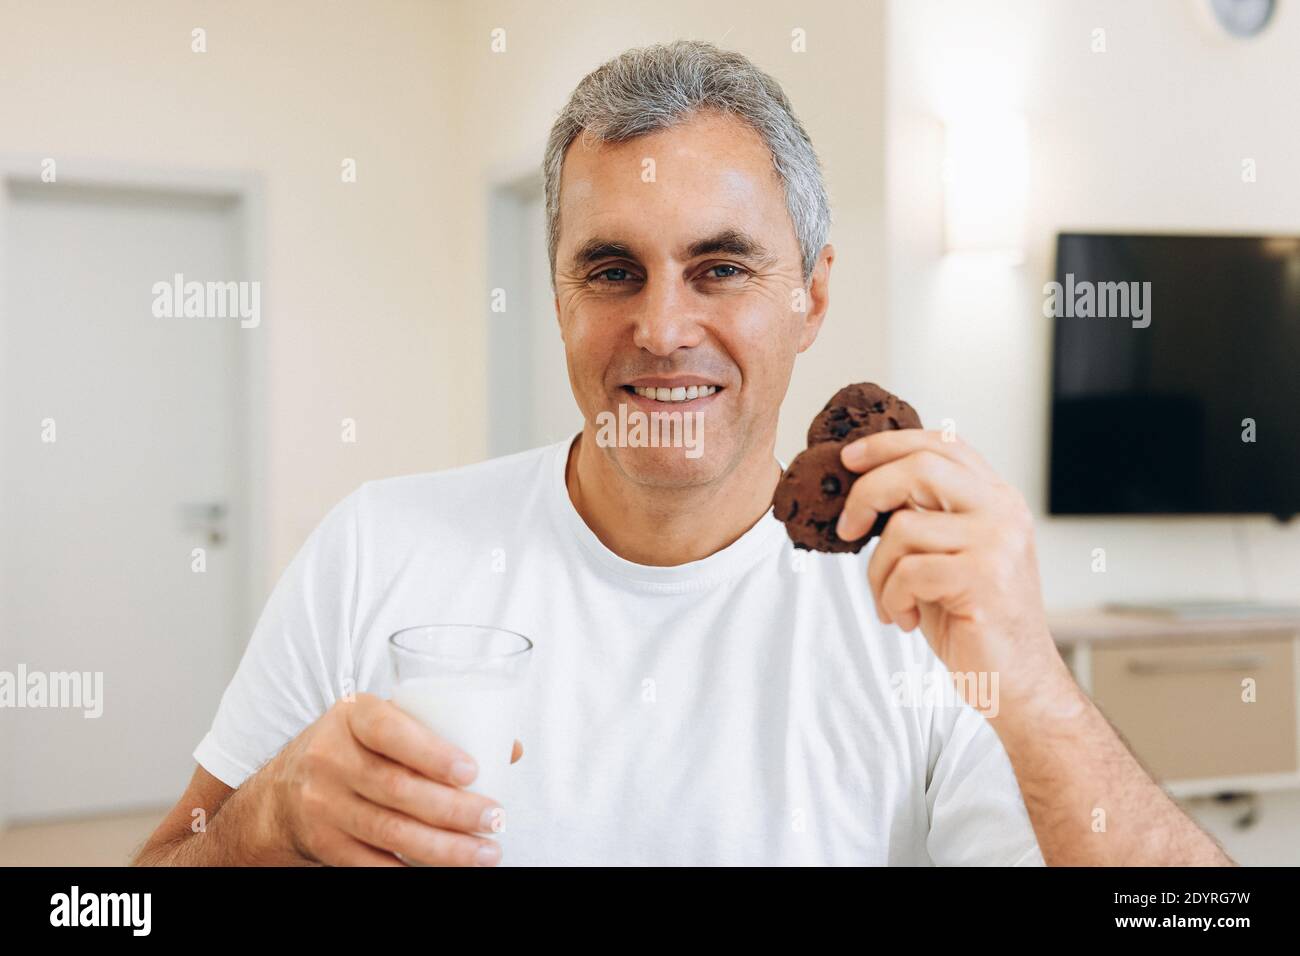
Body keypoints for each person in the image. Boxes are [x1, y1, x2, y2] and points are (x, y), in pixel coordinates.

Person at [137, 40, 1231, 866]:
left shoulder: (922, 615)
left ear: (812, 296)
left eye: (720, 268)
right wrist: (263, 824)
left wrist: (1033, 684)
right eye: (612, 269)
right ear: (558, 295)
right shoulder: (376, 547)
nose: (661, 327)